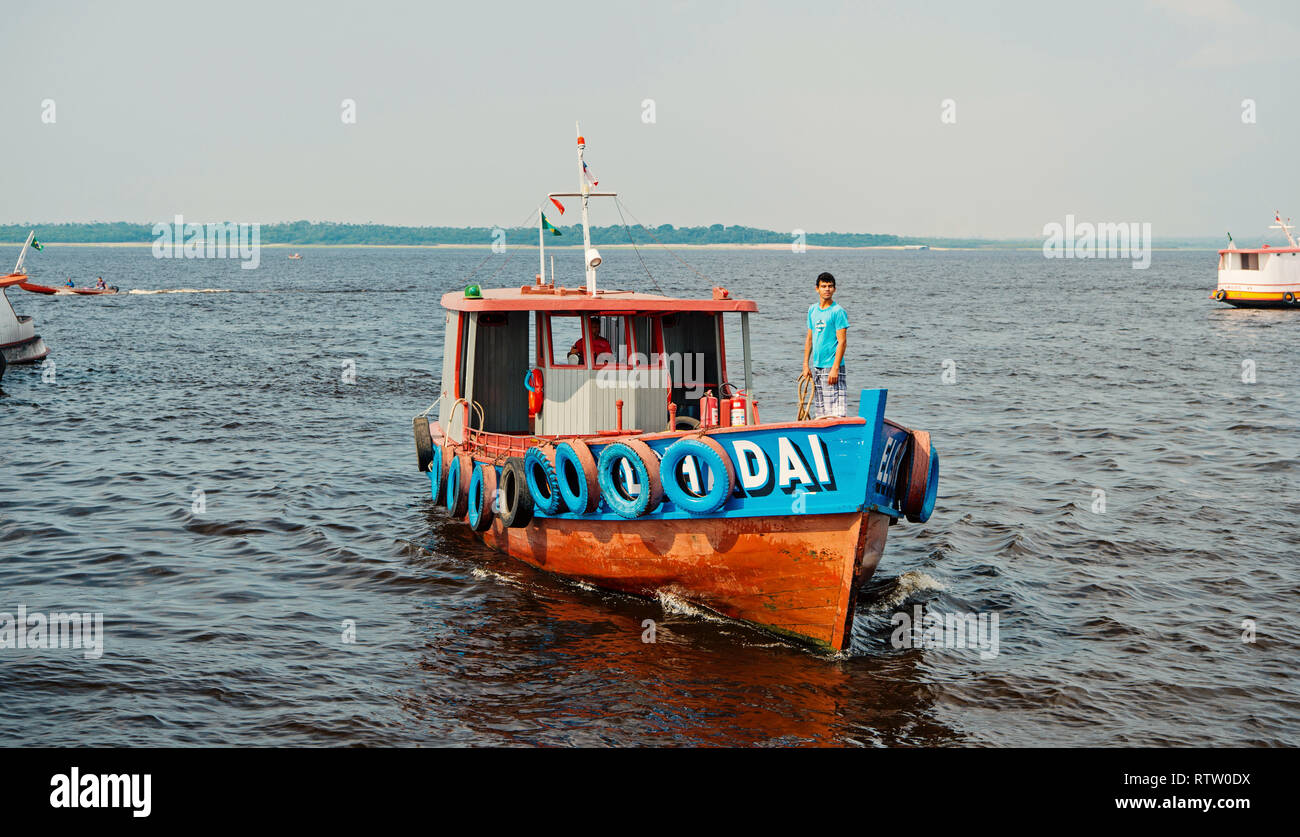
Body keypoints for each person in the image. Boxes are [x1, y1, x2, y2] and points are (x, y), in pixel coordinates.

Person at [802, 272, 849, 418]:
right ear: (817, 289)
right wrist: (805, 365)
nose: (827, 289)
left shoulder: (838, 311)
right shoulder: (812, 310)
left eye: (830, 286)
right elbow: (809, 338)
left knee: (835, 410)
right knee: (820, 410)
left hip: (832, 366)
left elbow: (842, 342)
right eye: (823, 286)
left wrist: (835, 369)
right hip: (817, 365)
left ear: (834, 289)